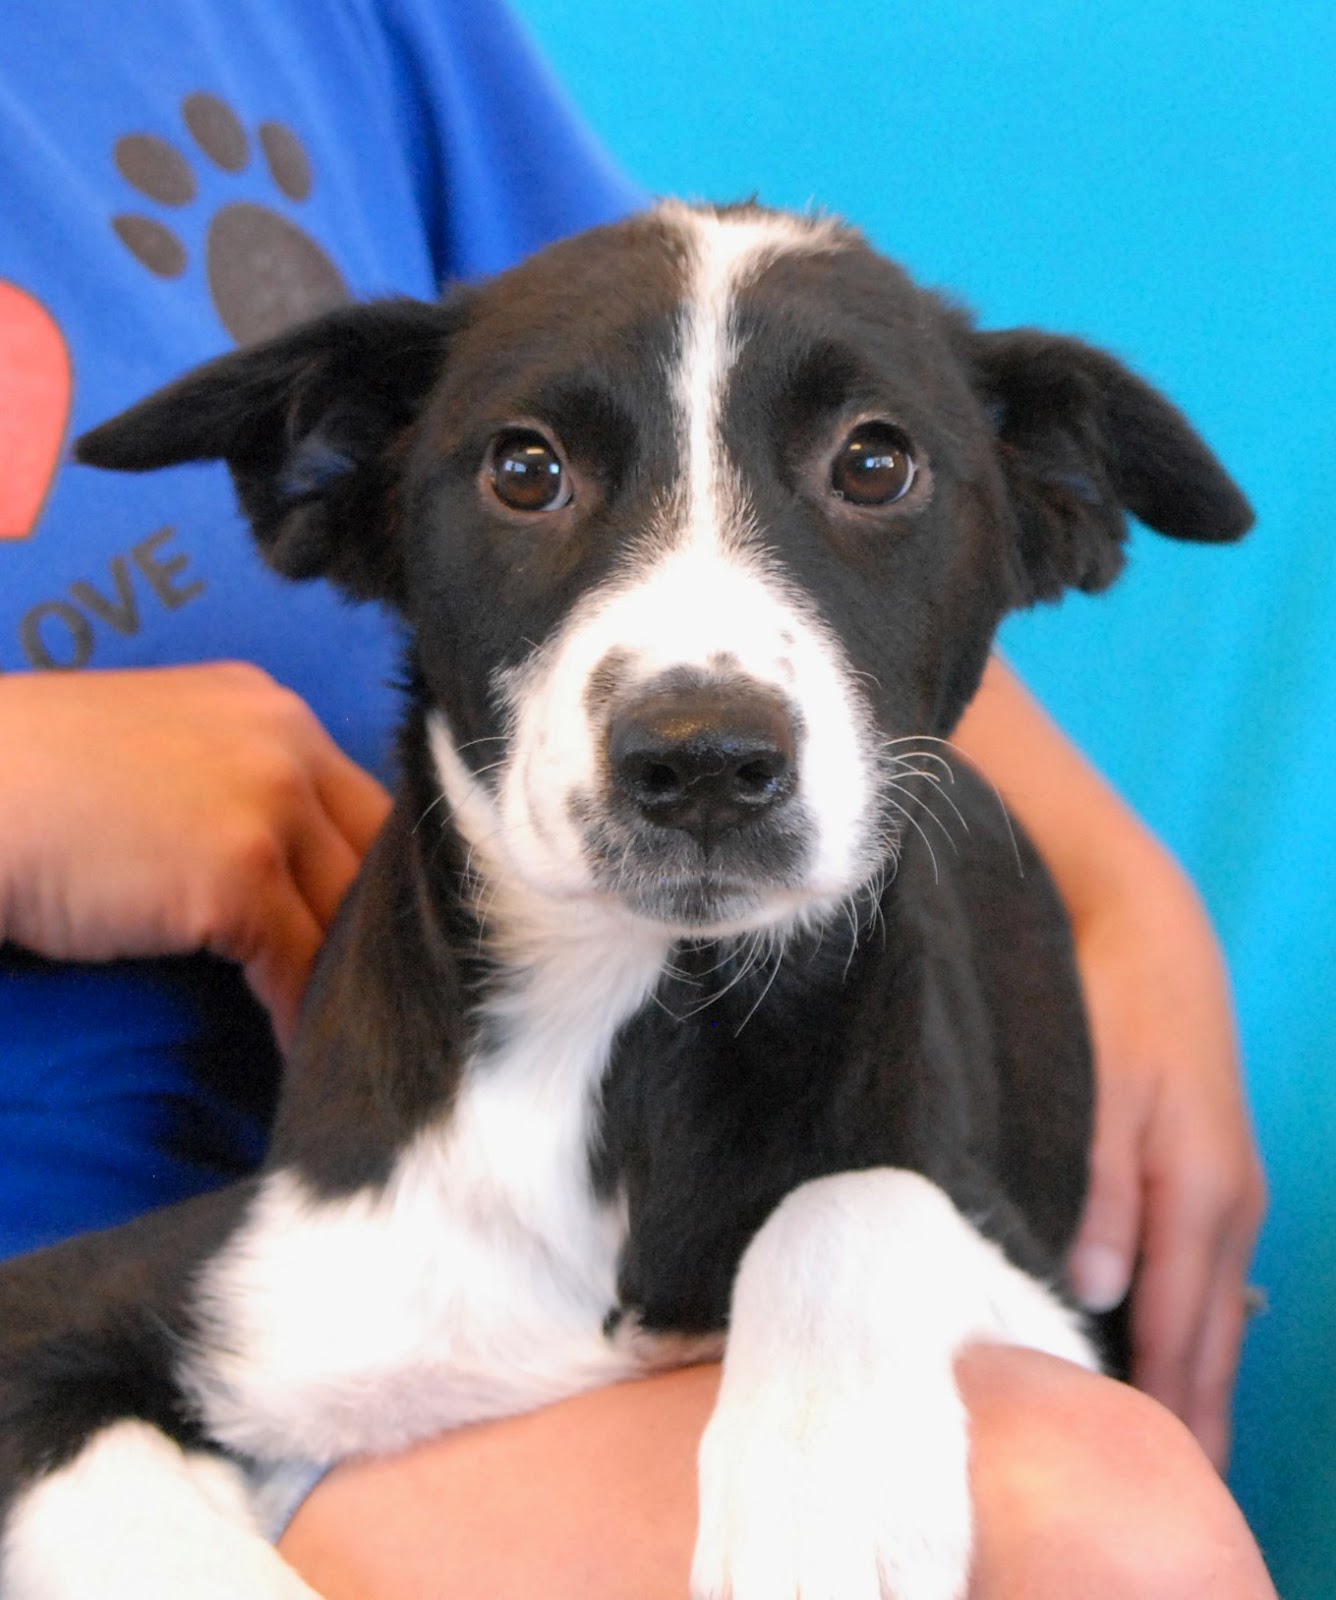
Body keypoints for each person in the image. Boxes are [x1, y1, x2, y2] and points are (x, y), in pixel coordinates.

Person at [0, 0, 1271, 1592]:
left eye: (871, 468)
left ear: (1054, 521)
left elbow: (675, 319)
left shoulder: (345, 25)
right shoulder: (323, 1258)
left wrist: (1121, 893)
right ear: (335, 488)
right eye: (532, 473)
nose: (701, 708)